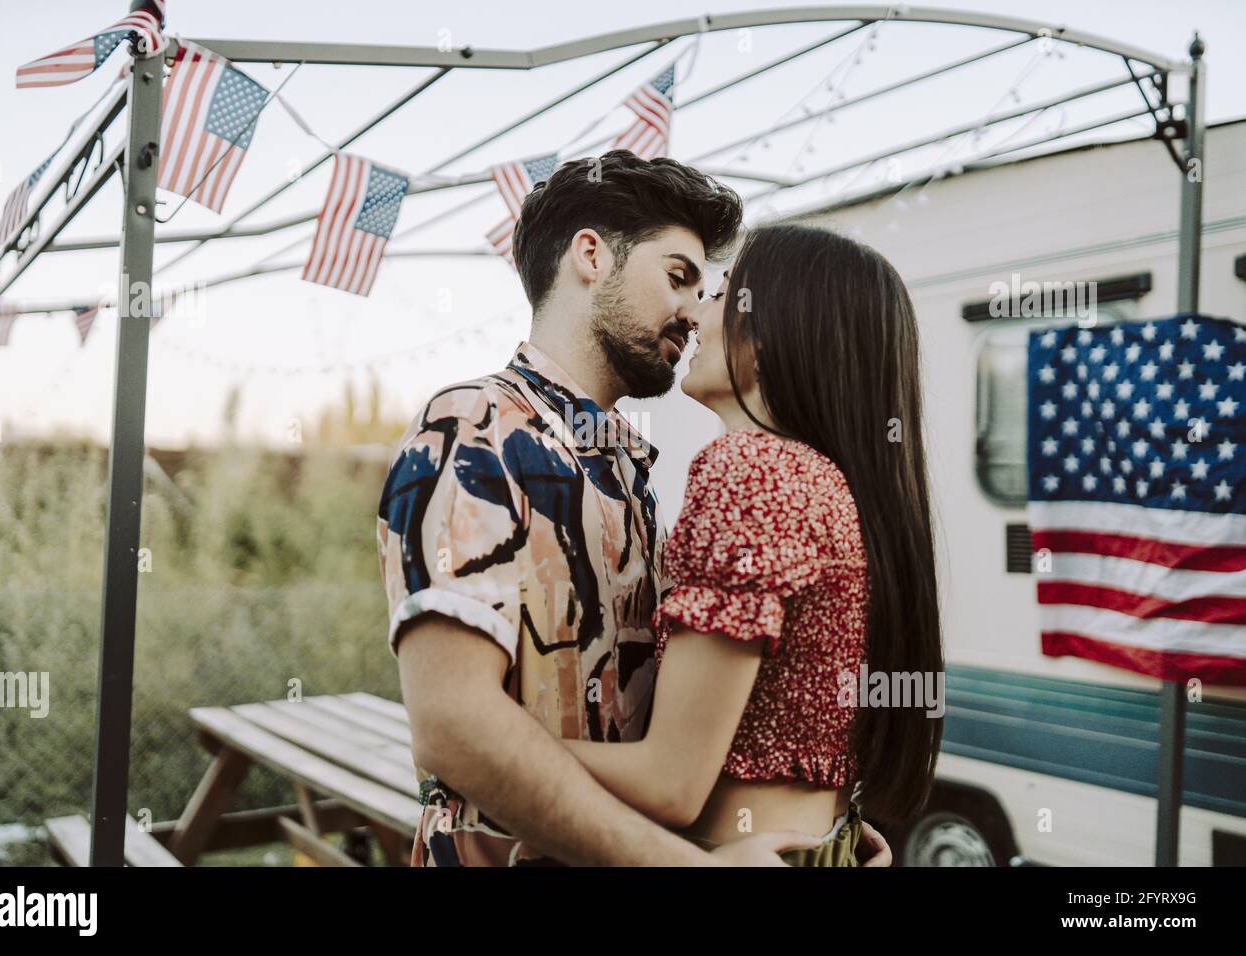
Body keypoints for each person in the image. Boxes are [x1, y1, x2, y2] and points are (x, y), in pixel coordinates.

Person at [376, 150, 894, 866]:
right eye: (679, 277)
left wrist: (825, 841)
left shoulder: (631, 473)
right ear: (590, 256)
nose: (694, 313)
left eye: (707, 291)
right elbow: (452, 726)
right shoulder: (473, 429)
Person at [559, 224, 945, 864]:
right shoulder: (829, 483)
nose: (693, 315)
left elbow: (670, 783)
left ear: (766, 340)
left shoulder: (753, 474)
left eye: (720, 296)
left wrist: (492, 745)